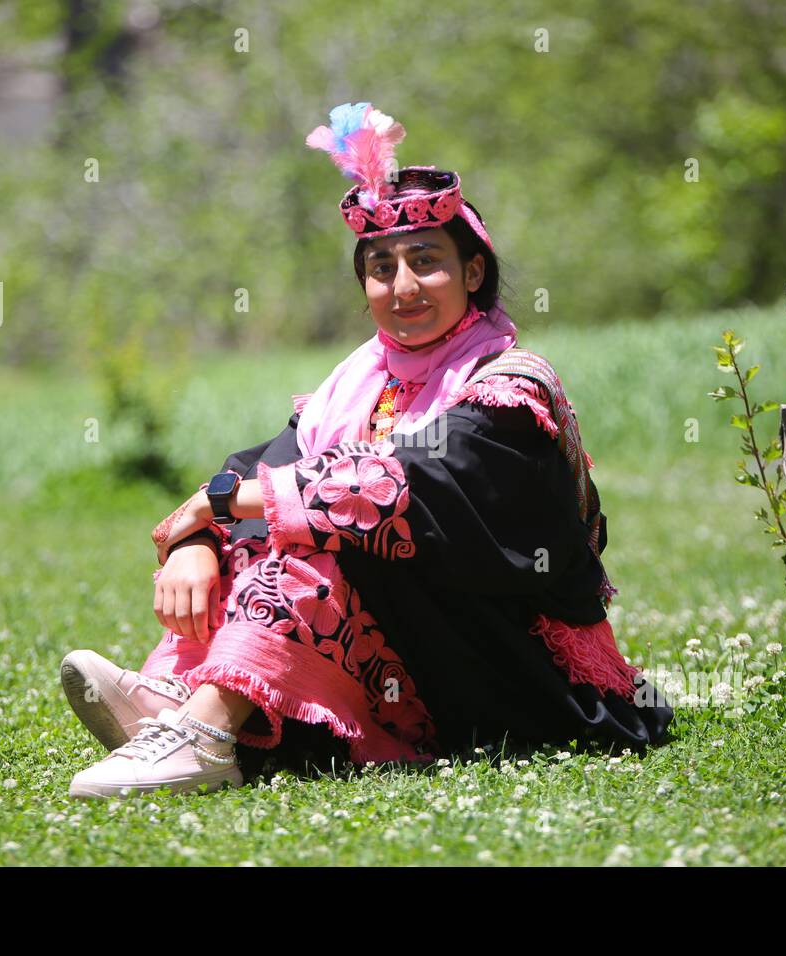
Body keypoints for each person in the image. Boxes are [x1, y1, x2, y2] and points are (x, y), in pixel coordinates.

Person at [61, 103, 674, 799]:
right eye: (381, 268)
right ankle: (179, 694)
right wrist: (197, 540)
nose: (403, 287)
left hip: (515, 677)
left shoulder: (507, 390)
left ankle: (201, 731)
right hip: (412, 658)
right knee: (286, 517)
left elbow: (396, 487)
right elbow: (260, 469)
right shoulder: (354, 387)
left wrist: (220, 502)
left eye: (426, 262)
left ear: (473, 274)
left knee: (327, 525)